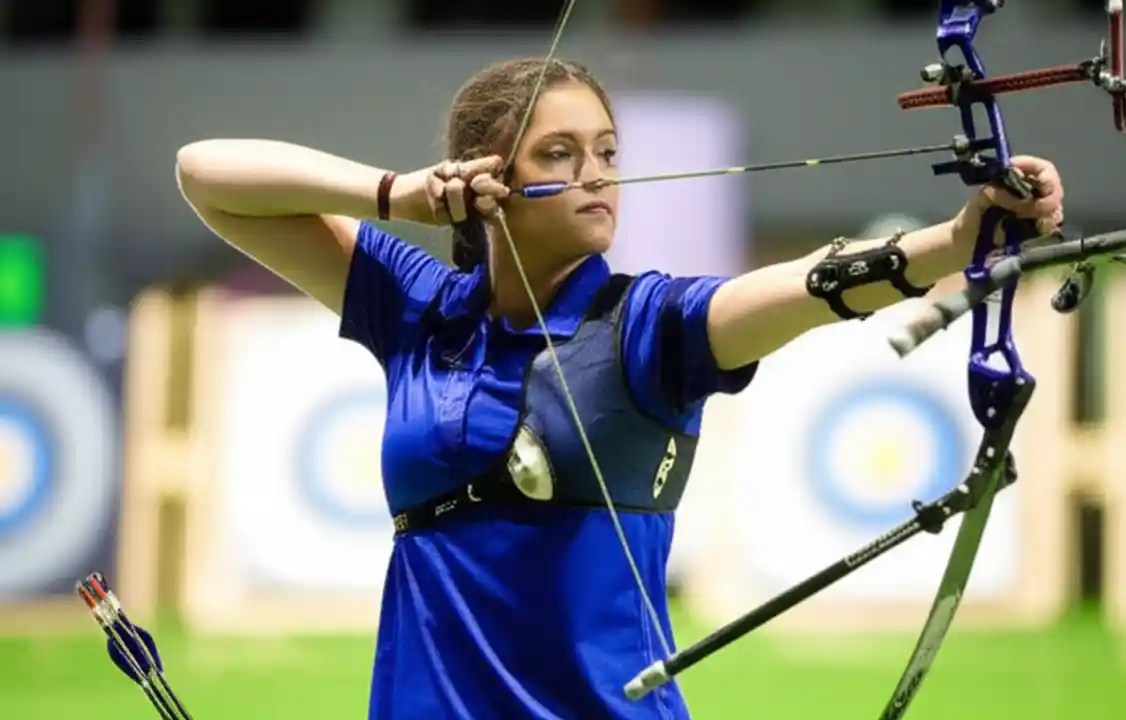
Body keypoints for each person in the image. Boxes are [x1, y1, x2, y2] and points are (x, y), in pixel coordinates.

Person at [174, 57, 1065, 719]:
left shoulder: (647, 328)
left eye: (607, 150)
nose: (599, 173)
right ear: (488, 181)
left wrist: (959, 238)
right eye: (561, 152)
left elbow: (808, 285)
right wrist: (396, 194)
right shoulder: (420, 310)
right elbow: (206, 175)